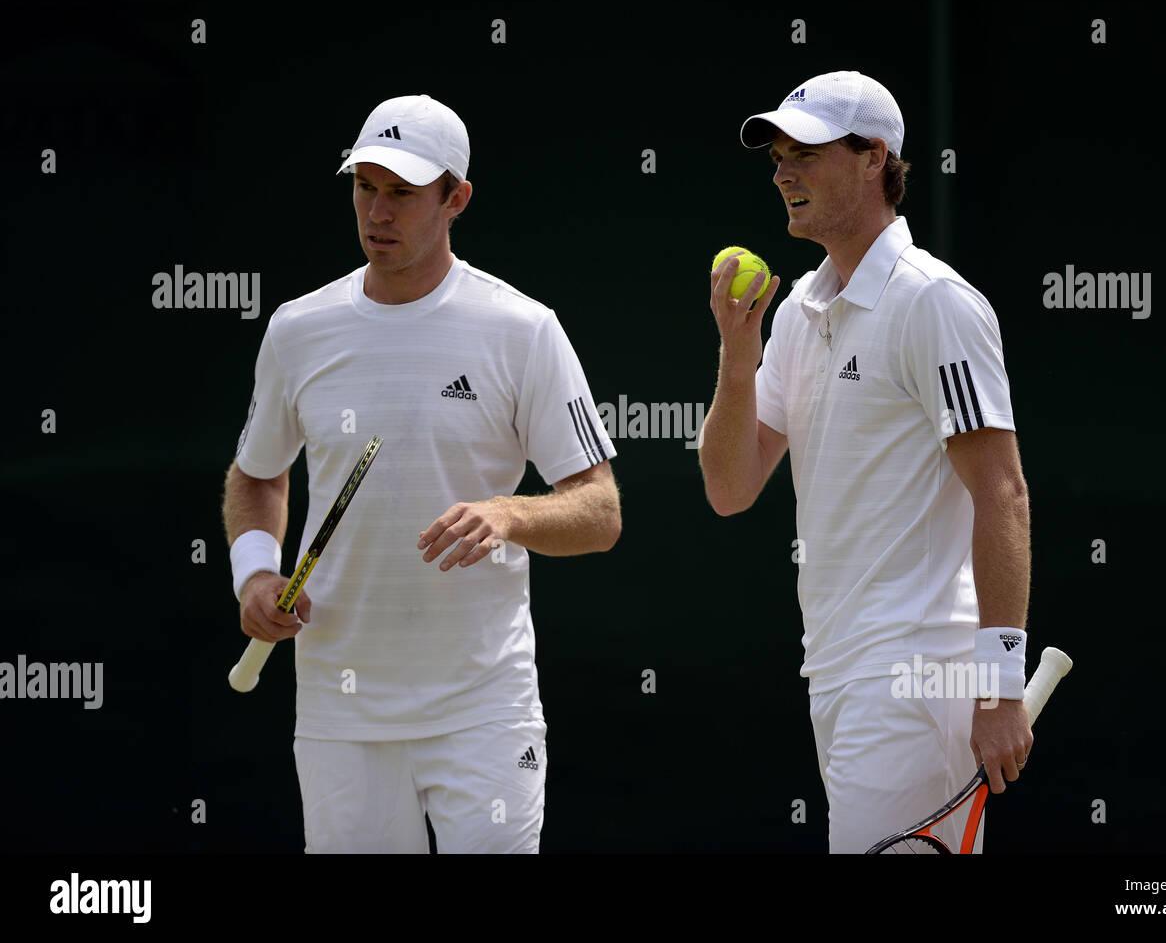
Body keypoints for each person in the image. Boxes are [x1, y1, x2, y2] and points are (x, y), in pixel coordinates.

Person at [222, 94, 621, 854]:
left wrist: (508, 515)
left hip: (484, 709)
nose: (377, 210)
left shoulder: (523, 329)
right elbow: (257, 475)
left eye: (402, 191)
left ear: (456, 198)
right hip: (341, 711)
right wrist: (252, 575)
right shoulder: (297, 329)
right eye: (364, 186)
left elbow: (599, 510)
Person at [698, 71, 1033, 853]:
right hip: (837, 672)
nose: (783, 172)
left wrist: (998, 684)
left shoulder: (933, 302)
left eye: (805, 153)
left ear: (874, 157)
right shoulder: (798, 312)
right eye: (777, 155)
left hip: (917, 675)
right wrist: (737, 350)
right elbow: (728, 485)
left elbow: (1003, 493)